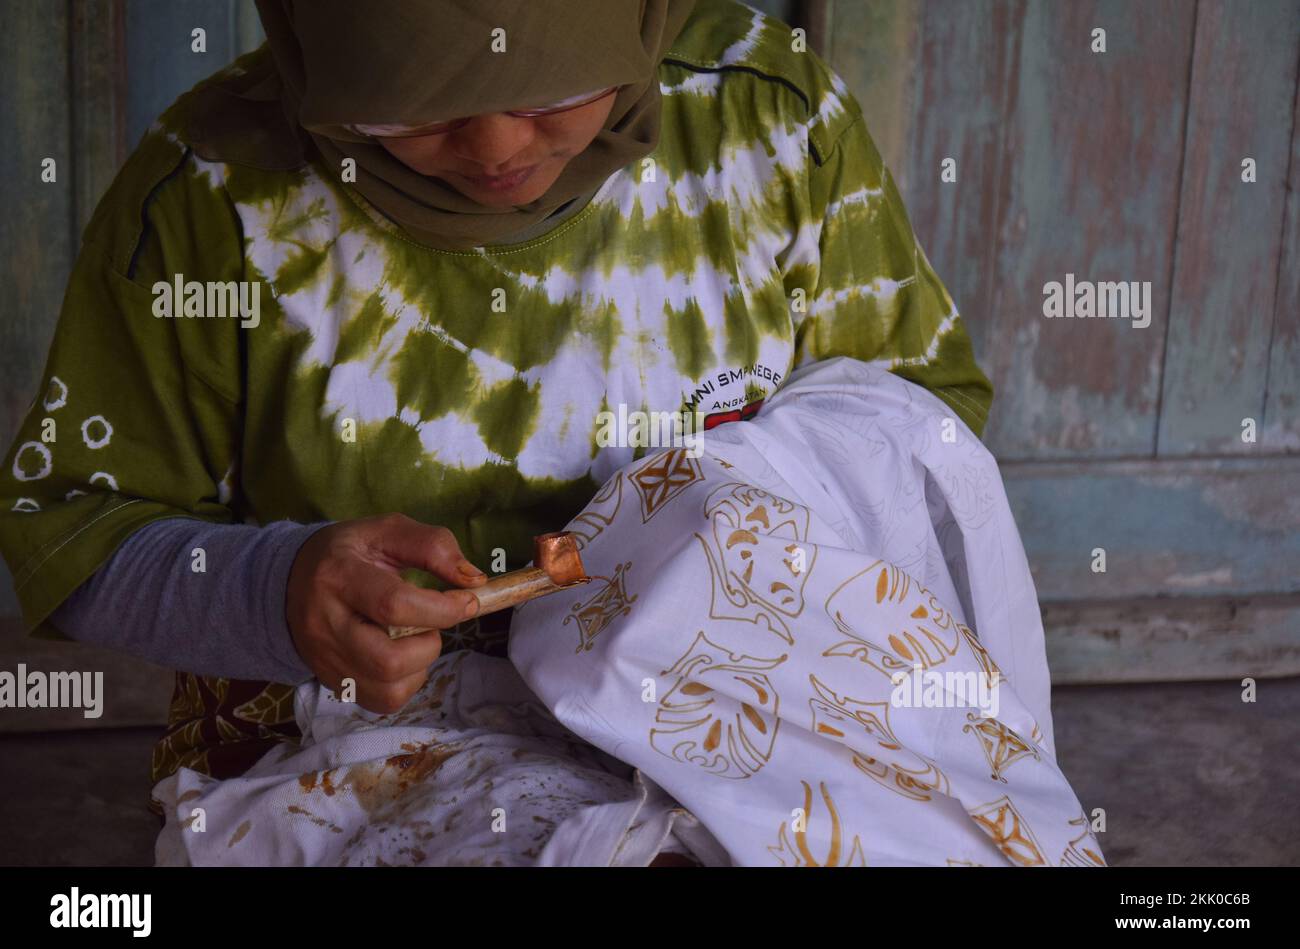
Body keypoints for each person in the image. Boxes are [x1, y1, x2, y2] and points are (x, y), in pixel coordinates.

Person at [0, 0, 992, 811]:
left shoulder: (770, 121)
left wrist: (742, 519)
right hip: (352, 745)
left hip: (749, 696)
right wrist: (278, 590)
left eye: (557, 88)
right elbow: (74, 533)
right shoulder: (211, 194)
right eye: (412, 106)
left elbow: (923, 426)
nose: (493, 146)